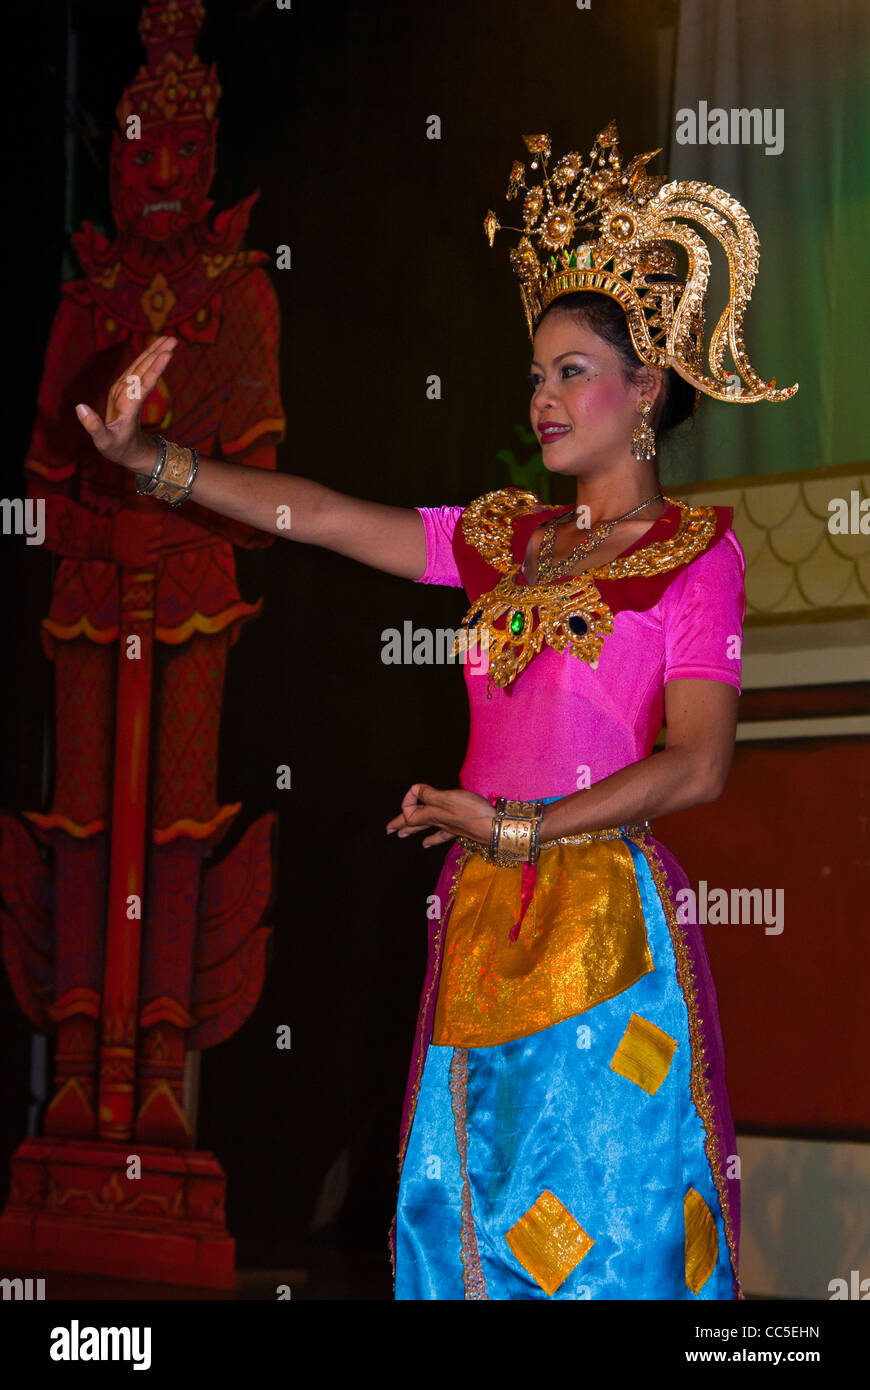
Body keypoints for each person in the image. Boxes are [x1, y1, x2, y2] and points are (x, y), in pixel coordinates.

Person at [74, 122, 796, 1301]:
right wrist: (159, 462)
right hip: (479, 915)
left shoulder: (693, 553)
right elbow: (323, 513)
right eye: (536, 372)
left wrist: (518, 826)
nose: (544, 395)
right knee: (468, 1233)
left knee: (597, 1238)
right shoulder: (504, 535)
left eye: (573, 370)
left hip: (597, 917)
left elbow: (701, 764)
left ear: (648, 388)